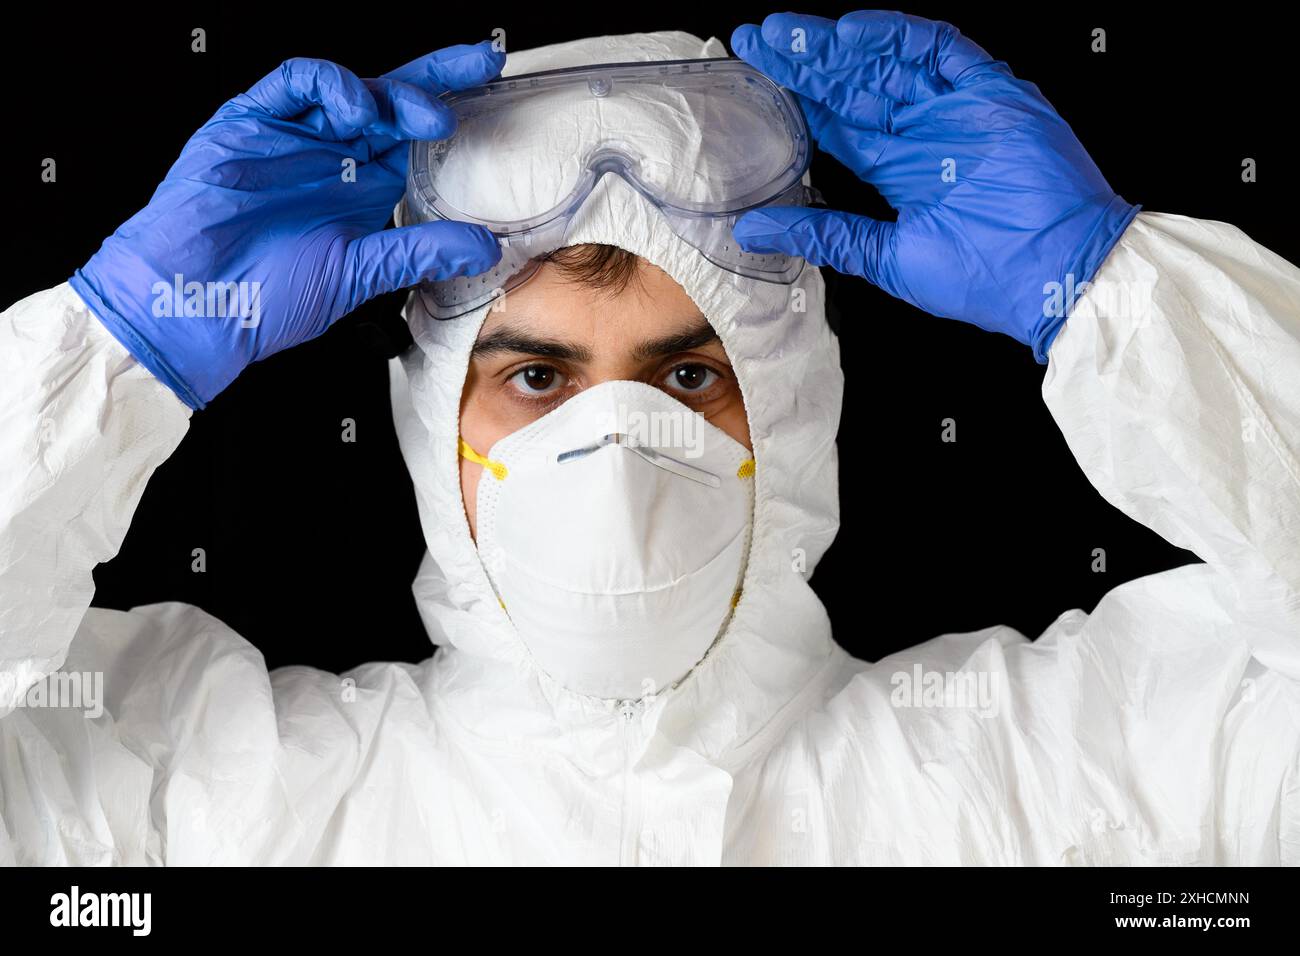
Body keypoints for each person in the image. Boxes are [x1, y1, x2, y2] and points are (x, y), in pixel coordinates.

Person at [0, 14, 1296, 865]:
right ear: (430, 424)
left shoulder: (1074, 778)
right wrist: (112, 350)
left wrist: (1110, 289)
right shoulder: (210, 805)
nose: (616, 449)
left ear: (793, 408)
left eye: (687, 371)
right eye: (536, 376)